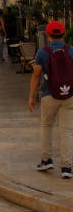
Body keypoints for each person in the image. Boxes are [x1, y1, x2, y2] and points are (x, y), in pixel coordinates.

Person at [28, 21, 73, 179]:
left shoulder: (42, 53)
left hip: (49, 95)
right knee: (67, 131)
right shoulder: (71, 50)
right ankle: (67, 168)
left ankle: (46, 159)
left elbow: (36, 76)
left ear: (48, 35)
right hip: (69, 96)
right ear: (63, 33)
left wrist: (31, 96)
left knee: (46, 126)